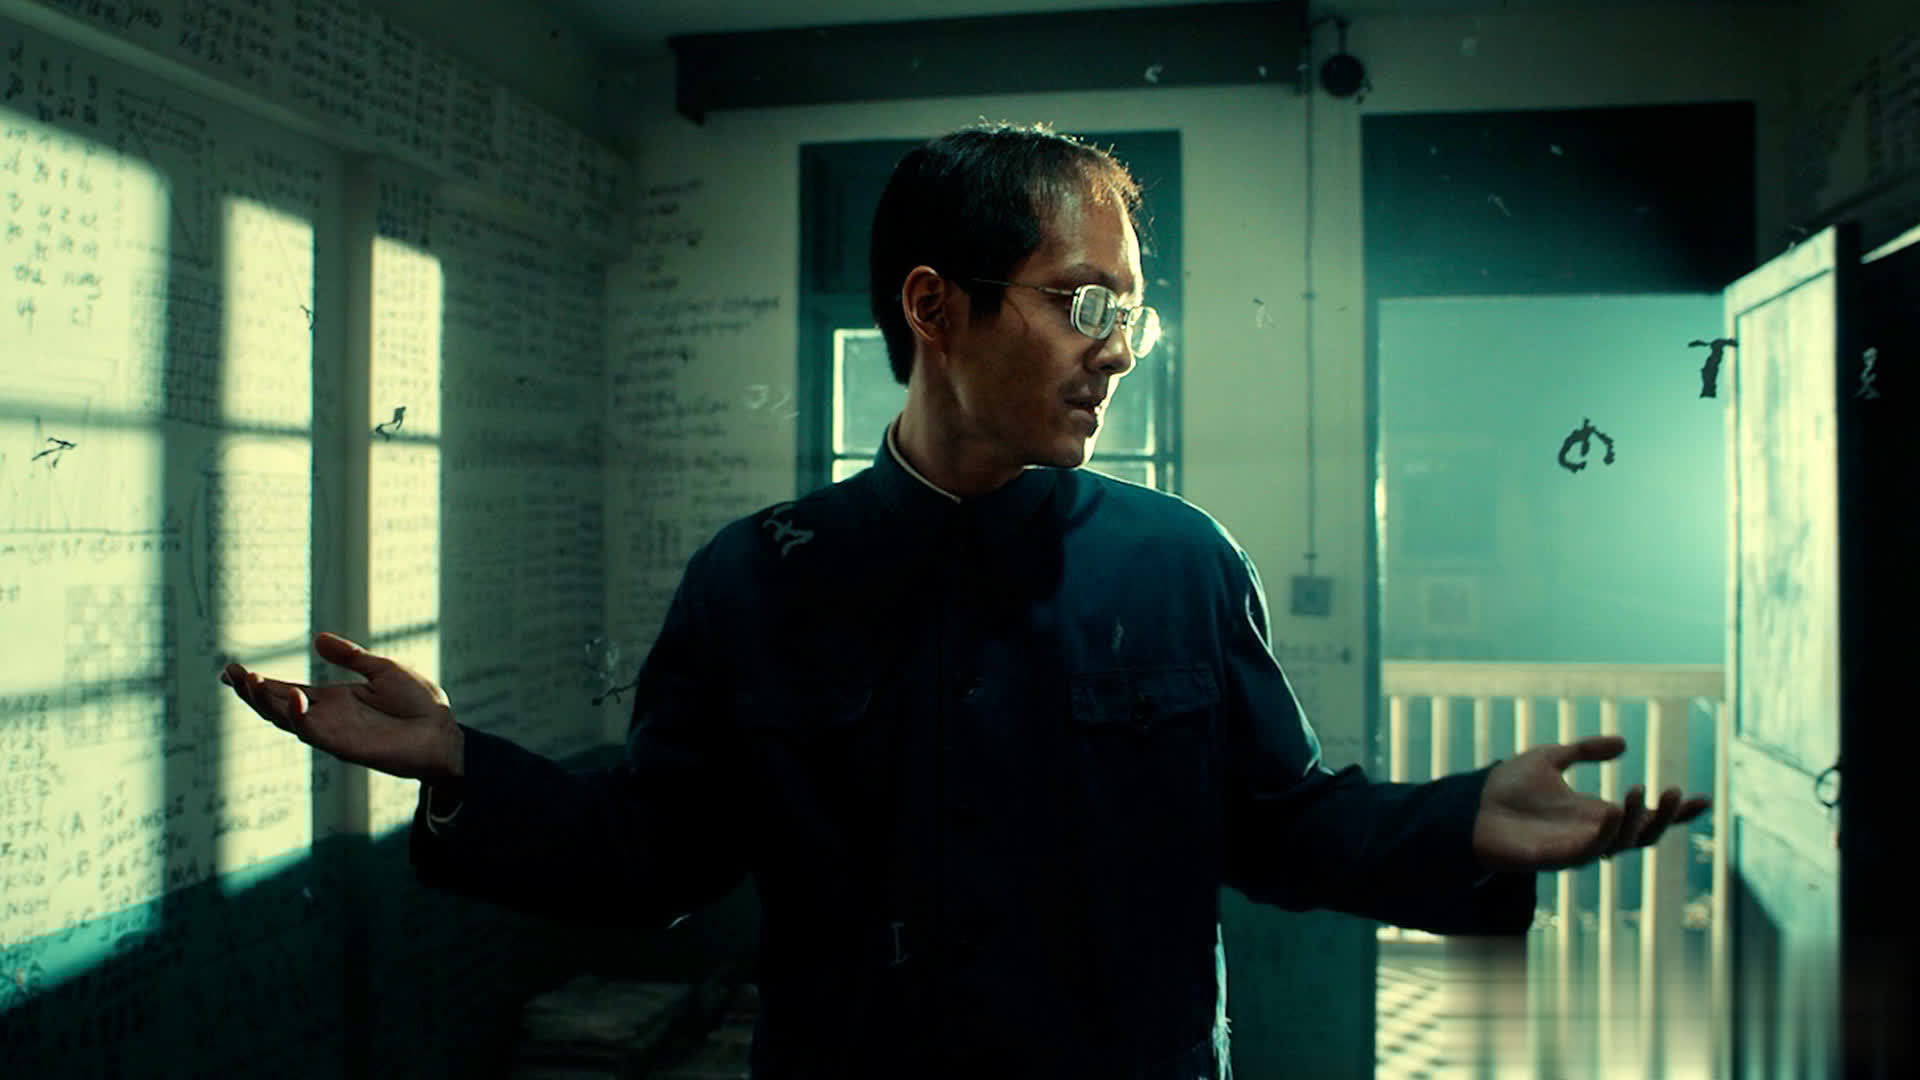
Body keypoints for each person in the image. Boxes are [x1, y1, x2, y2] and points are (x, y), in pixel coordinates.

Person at [220, 121, 1710, 1080]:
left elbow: (1281, 824)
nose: (1117, 347)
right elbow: (653, 854)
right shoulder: (758, 578)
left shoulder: (1180, 562)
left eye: (1134, 312)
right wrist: (459, 763)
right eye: (1083, 303)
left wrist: (1461, 820)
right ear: (934, 307)